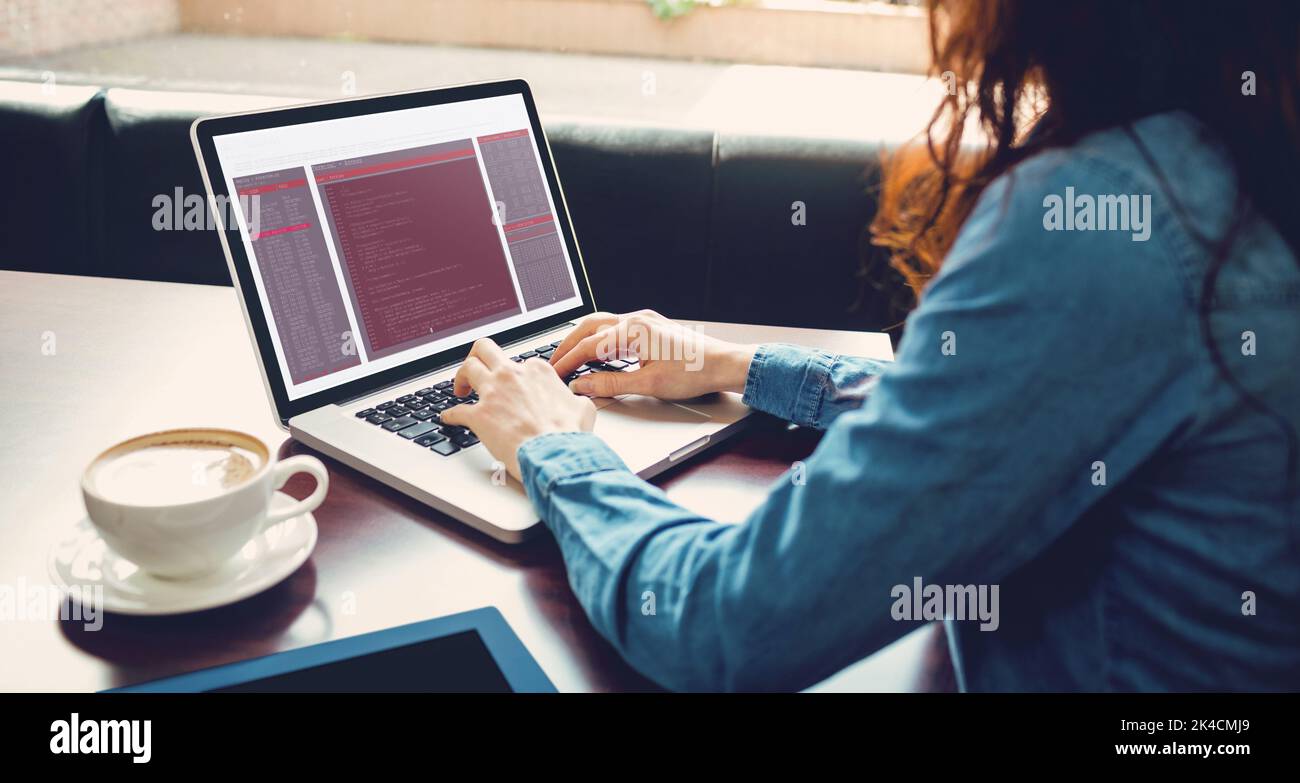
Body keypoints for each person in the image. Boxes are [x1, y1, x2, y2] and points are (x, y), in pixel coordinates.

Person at [440, 0, 1300, 691]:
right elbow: (1018, 410)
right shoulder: (1242, 158)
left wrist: (554, 449)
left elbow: (721, 626)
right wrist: (737, 366)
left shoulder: (1105, 218)